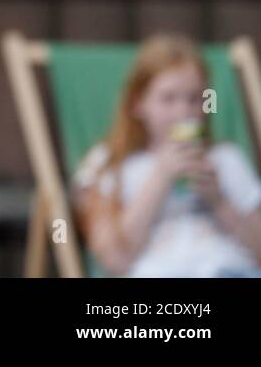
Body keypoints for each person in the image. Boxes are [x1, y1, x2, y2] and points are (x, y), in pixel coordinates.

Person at [73, 33, 261, 277]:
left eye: (194, 99)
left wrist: (219, 202)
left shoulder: (226, 158)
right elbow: (114, 260)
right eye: (168, 98)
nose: (183, 112)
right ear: (137, 103)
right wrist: (160, 178)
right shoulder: (109, 162)